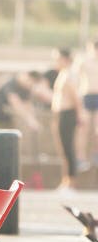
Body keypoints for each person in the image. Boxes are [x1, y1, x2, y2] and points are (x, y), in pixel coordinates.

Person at [0, 70, 46, 180]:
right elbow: (16, 104)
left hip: (7, 119)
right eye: (30, 82)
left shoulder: (26, 89)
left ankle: (7, 179)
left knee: (11, 149)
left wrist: (33, 121)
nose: (30, 85)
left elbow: (28, 105)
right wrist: (30, 120)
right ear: (26, 76)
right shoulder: (11, 83)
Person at [51, 47, 83, 192]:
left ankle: (71, 182)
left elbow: (76, 97)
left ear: (64, 59)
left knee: (68, 148)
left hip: (67, 113)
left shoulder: (70, 74)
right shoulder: (64, 73)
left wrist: (80, 115)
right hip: (61, 113)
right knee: (64, 148)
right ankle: (66, 181)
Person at [77, 39, 98, 164]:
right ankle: (81, 157)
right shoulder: (83, 61)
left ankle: (96, 154)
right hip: (87, 96)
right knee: (83, 129)